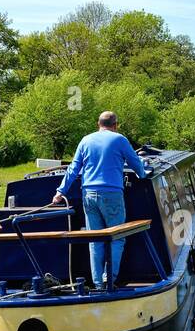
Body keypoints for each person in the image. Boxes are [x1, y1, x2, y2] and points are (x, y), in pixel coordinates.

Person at [51, 111, 148, 289]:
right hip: (112, 194)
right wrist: (142, 174)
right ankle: (108, 278)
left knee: (95, 239)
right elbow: (135, 162)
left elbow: (73, 169)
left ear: (98, 124)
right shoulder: (119, 140)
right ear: (115, 125)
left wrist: (60, 191)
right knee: (117, 238)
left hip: (88, 195)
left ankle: (97, 284)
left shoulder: (85, 140)